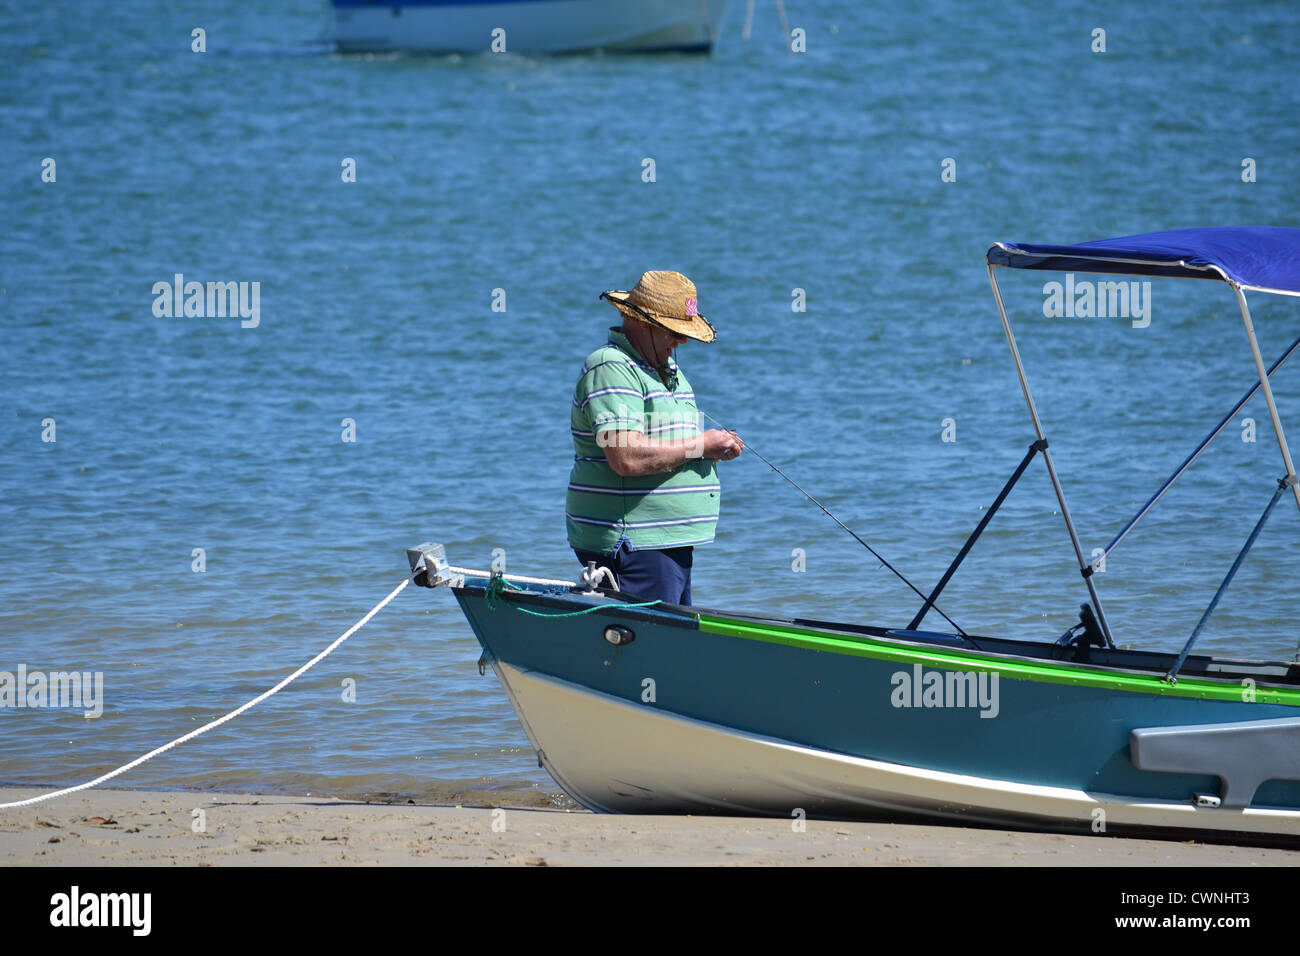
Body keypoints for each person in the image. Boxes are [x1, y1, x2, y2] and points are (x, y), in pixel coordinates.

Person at [566, 270, 743, 605]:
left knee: (668, 643)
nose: (682, 341)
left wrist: (713, 451)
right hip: (633, 542)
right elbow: (626, 457)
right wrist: (702, 445)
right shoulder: (611, 366)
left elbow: (672, 445)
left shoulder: (663, 367)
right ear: (644, 324)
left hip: (664, 541)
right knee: (652, 646)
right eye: (674, 332)